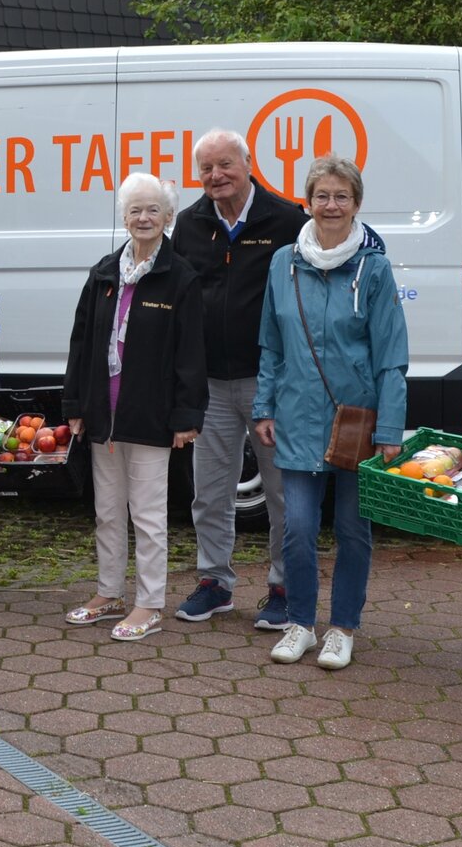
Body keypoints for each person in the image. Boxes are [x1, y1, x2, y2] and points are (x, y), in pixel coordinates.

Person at [252, 155, 408, 672]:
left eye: (342, 196)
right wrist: (263, 406)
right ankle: (300, 621)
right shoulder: (283, 263)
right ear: (307, 201)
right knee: (296, 527)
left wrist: (389, 428)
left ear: (356, 204)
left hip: (357, 424)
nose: (332, 205)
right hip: (296, 417)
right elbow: (271, 346)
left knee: (352, 530)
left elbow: (391, 357)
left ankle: (342, 628)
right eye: (323, 195)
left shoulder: (375, 268)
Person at [61, 173, 207, 642]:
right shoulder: (103, 271)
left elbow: (191, 353)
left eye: (153, 211)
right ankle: (109, 593)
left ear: (168, 218)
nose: (143, 218)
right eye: (135, 210)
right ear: (123, 217)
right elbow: (81, 342)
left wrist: (187, 416)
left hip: (150, 417)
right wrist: (75, 404)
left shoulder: (180, 276)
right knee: (107, 510)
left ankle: (149, 603)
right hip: (104, 416)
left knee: (147, 514)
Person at [173, 128, 308, 630]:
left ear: (248, 164)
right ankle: (215, 583)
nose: (215, 176)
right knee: (209, 491)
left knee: (281, 491)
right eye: (206, 168)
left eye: (224, 165)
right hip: (208, 384)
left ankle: (283, 586)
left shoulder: (288, 220)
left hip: (269, 384)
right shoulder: (189, 224)